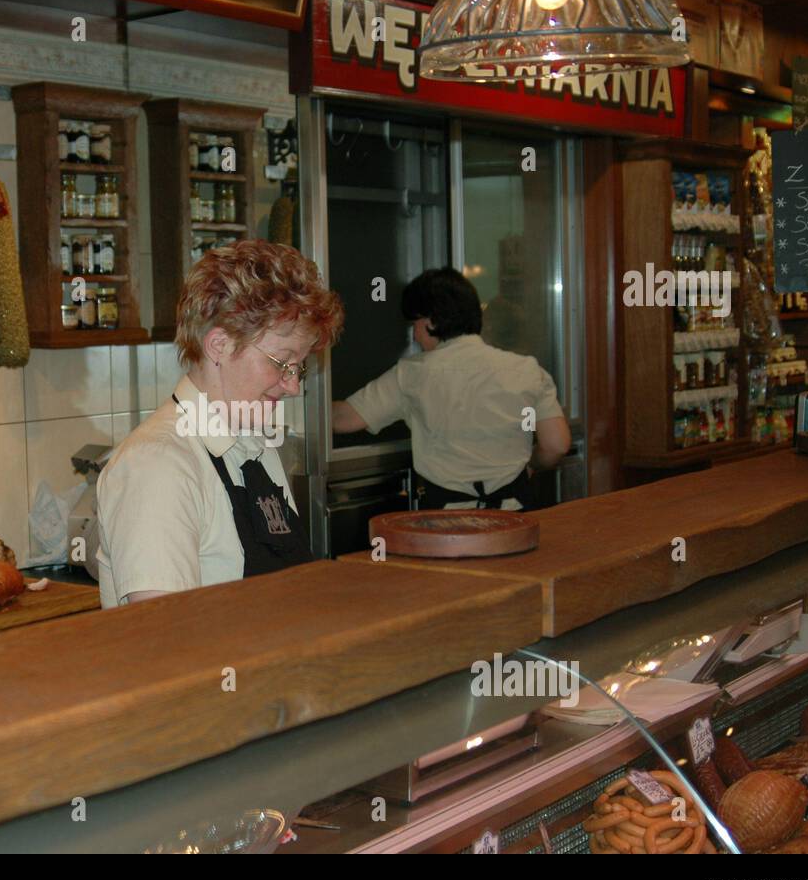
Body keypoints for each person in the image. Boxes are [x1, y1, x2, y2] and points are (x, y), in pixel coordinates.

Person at [95, 240, 344, 607]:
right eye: (282, 362)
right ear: (219, 346)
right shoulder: (158, 465)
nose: (293, 386)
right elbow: (165, 637)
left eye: (299, 366)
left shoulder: (257, 449)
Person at [331, 267, 570, 511]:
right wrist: (530, 465)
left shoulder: (412, 374)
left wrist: (300, 398)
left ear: (431, 321)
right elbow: (556, 445)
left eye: (416, 323)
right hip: (516, 515)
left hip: (445, 523)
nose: (414, 335)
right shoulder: (527, 370)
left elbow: (343, 419)